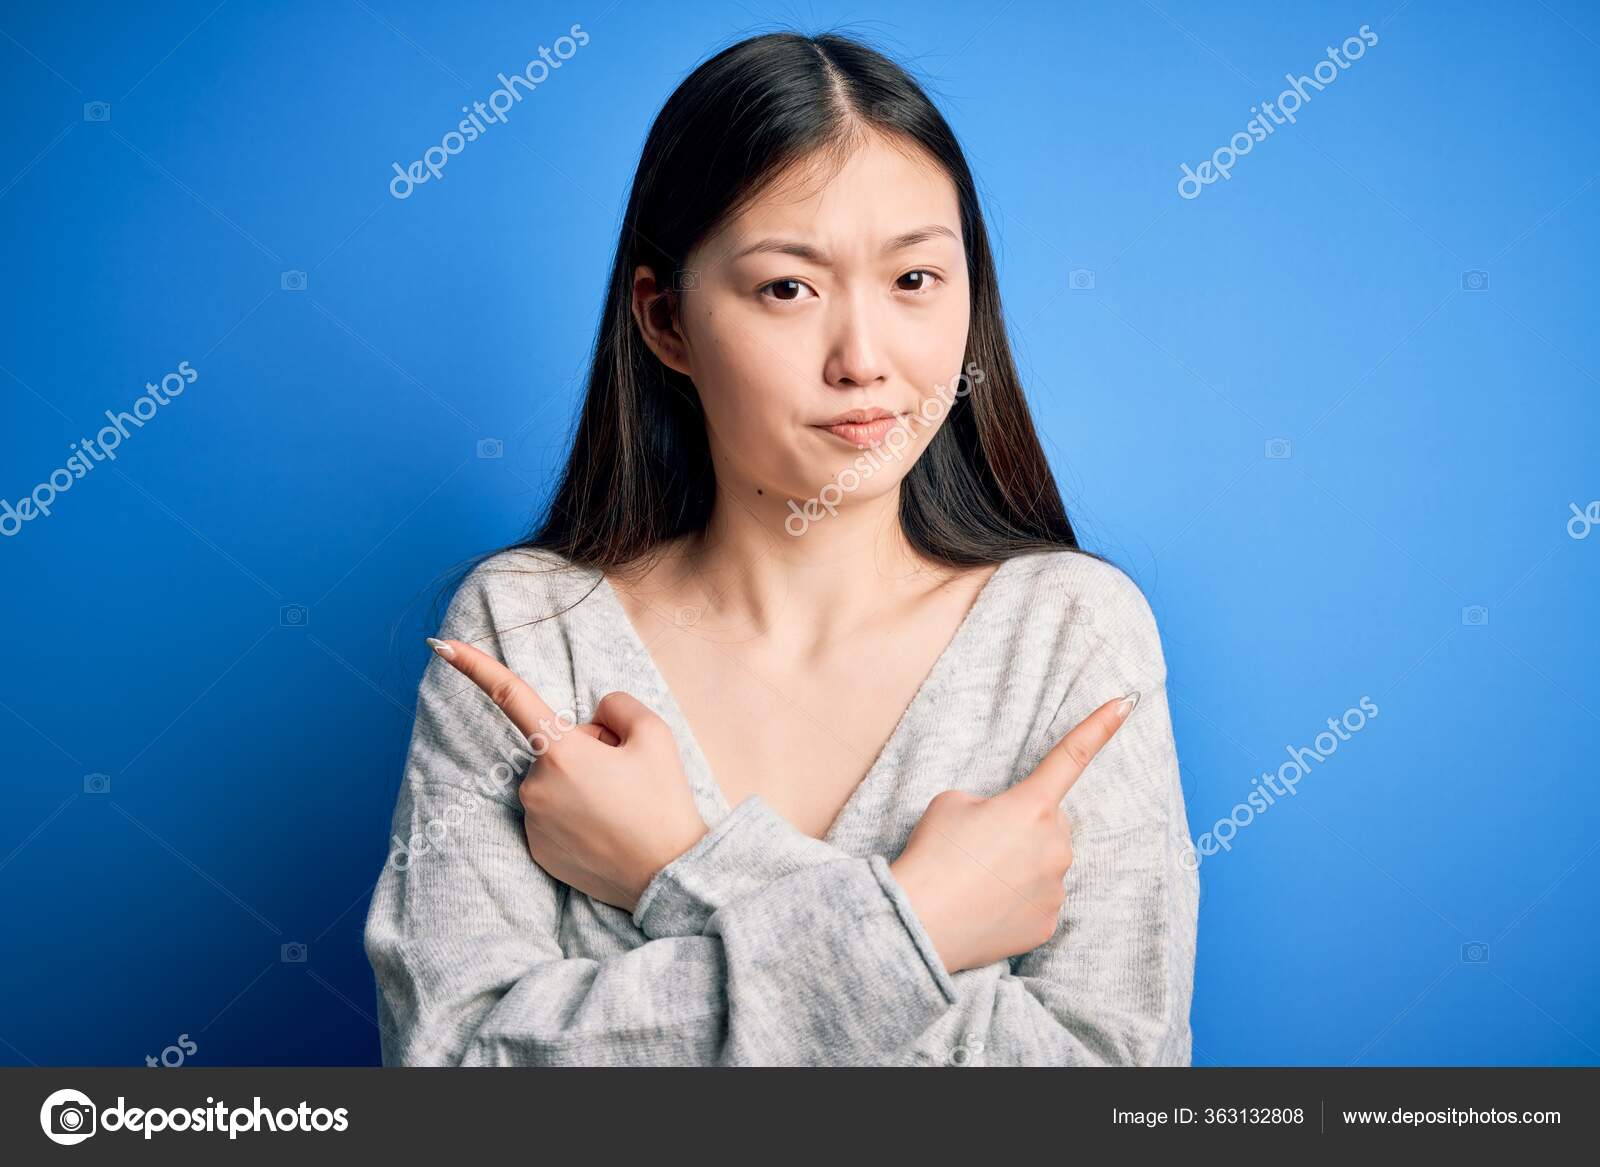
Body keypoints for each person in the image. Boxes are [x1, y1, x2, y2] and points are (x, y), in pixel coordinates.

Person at [363, 30, 1198, 1066]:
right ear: (665, 321)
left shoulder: (1066, 633)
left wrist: (684, 865)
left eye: (915, 279)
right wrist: (922, 930)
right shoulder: (528, 633)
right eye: (787, 289)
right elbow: (454, 1071)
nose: (863, 360)